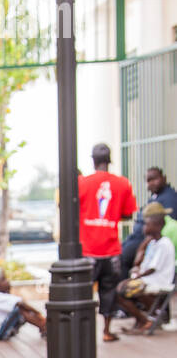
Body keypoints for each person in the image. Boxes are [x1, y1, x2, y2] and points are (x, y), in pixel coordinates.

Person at [78, 143, 137, 342]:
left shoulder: (82, 183)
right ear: (109, 160)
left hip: (88, 248)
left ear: (92, 160)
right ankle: (106, 331)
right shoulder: (122, 184)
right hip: (111, 248)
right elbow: (128, 213)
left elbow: (70, 208)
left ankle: (82, 332)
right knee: (109, 291)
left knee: (84, 292)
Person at [115, 208, 175, 334]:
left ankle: (145, 319)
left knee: (122, 291)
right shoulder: (152, 243)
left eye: (147, 224)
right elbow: (137, 262)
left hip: (157, 280)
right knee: (120, 290)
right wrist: (144, 244)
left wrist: (134, 278)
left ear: (157, 226)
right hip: (147, 279)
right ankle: (146, 318)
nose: (143, 227)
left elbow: (152, 268)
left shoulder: (164, 244)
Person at [120, 166, 177, 279]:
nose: (152, 183)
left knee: (123, 259)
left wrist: (143, 246)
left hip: (144, 242)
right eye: (148, 181)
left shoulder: (169, 198)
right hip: (139, 240)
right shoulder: (155, 197)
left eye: (154, 179)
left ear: (164, 178)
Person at [0, 273, 47, 340]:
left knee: (19, 310)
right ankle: (44, 326)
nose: (7, 281)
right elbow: (21, 304)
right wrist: (38, 313)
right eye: (3, 280)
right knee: (20, 310)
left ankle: (43, 326)